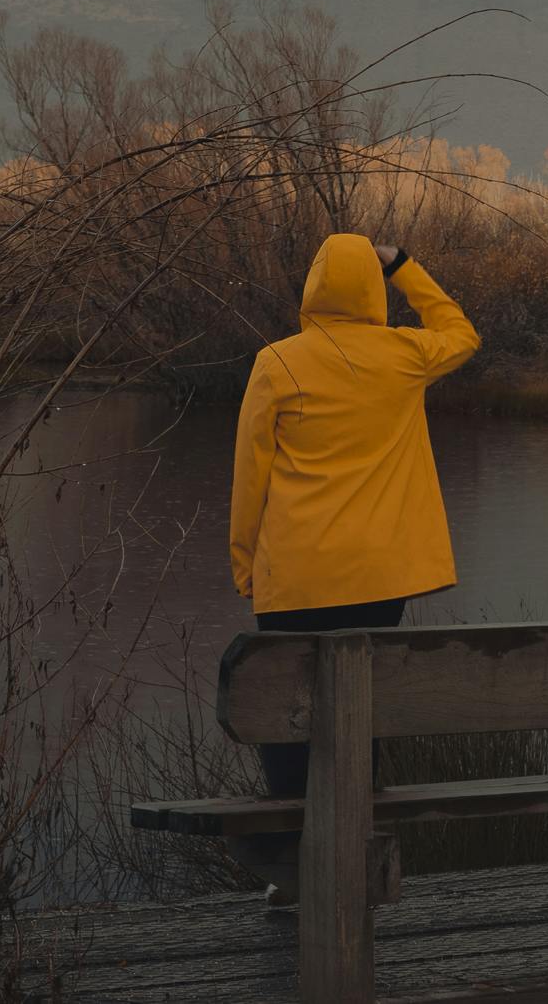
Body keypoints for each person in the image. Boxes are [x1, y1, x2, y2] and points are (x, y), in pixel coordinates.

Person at [226, 231, 480, 899]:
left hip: (297, 576)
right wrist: (404, 266)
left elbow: (249, 473)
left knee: (287, 724)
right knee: (356, 717)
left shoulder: (277, 362)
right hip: (378, 578)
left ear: (312, 288)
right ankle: (354, 863)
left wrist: (244, 560)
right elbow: (460, 330)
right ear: (371, 288)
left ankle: (292, 874)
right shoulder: (406, 355)